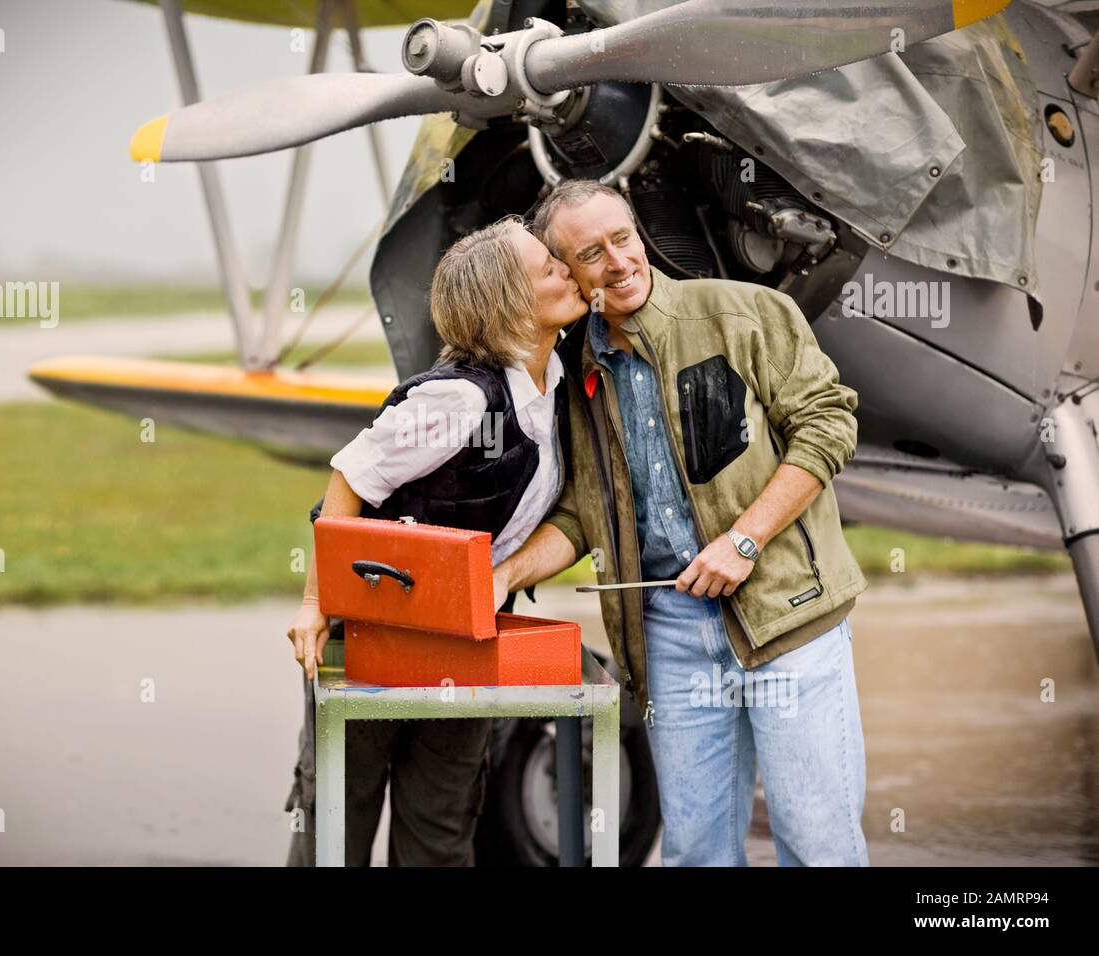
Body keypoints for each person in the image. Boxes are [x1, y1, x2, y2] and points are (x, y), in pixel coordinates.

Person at [494, 179, 871, 866]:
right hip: (667, 633)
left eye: (623, 239)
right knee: (695, 854)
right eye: (590, 253)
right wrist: (503, 575)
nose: (618, 263)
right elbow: (584, 513)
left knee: (818, 845)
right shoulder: (577, 370)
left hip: (788, 619)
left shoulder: (750, 312)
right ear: (566, 273)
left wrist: (745, 540)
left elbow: (828, 425)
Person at [283, 214, 588, 866]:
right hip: (375, 635)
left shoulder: (553, 385)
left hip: (464, 640)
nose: (566, 269)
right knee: (337, 833)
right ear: (509, 302)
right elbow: (348, 479)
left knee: (441, 835)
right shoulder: (457, 402)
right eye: (548, 267)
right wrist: (314, 604)